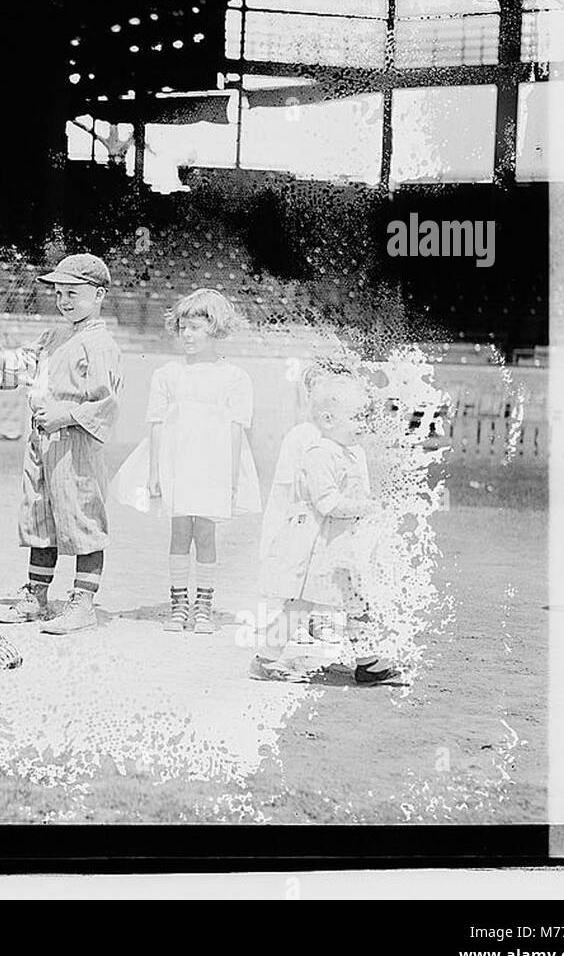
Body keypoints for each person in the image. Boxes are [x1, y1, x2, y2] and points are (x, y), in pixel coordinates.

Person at [0, 253, 123, 635]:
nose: (64, 300)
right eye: (59, 293)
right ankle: (36, 596)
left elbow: (106, 402)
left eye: (73, 293)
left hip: (75, 440)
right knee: (39, 515)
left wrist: (64, 416)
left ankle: (83, 604)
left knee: (81, 517)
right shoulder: (54, 335)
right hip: (41, 438)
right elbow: (20, 370)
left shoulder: (100, 344)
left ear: (98, 295)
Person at [113, 288, 260, 633]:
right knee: (179, 532)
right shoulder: (167, 374)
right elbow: (157, 424)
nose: (188, 335)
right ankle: (179, 606)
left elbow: (237, 430)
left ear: (217, 329)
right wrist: (153, 472)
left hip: (213, 466)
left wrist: (232, 477)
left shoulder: (234, 377)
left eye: (196, 328)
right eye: (183, 328)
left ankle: (204, 607)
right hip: (177, 463)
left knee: (205, 535)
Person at [252, 374, 398, 683]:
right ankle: (265, 658)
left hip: (340, 545)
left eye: (366, 416)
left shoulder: (351, 452)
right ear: (328, 419)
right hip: (316, 545)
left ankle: (367, 661)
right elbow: (328, 503)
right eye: (357, 417)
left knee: (356, 599)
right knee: (299, 605)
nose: (364, 423)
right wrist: (366, 507)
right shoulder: (319, 453)